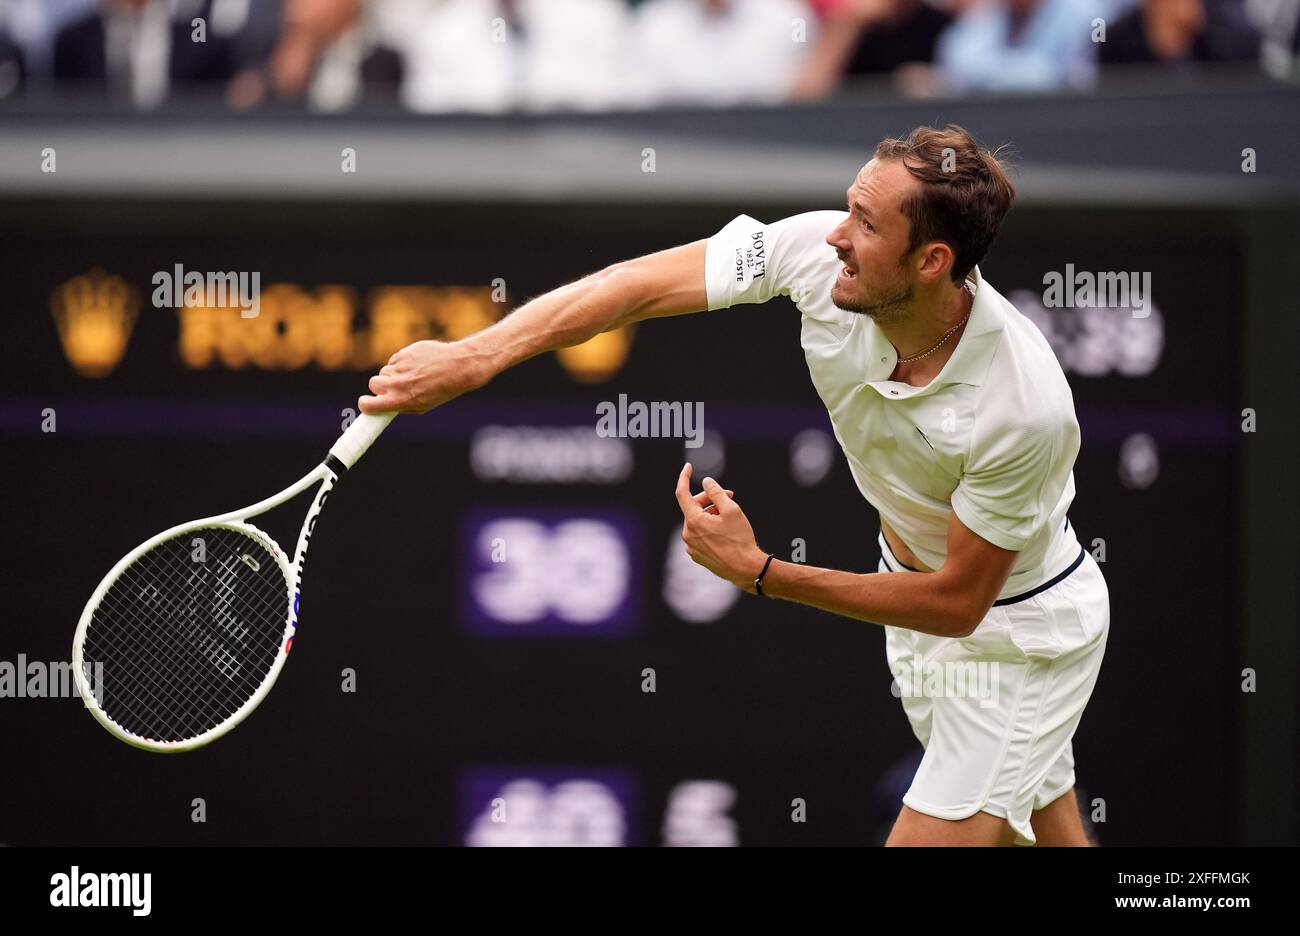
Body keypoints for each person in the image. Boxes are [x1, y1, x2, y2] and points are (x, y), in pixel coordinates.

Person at [359, 124, 1110, 847]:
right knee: (1049, 833)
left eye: (867, 225)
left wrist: (762, 574)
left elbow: (957, 603)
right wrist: (478, 357)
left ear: (931, 260)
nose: (836, 236)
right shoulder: (821, 258)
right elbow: (638, 287)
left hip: (1019, 637)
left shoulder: (1024, 408)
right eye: (849, 208)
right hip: (918, 612)